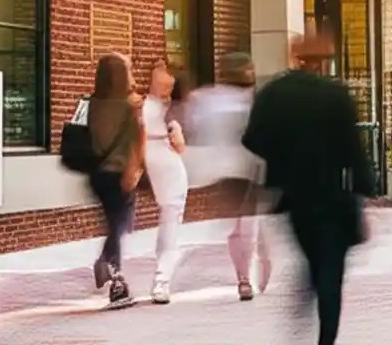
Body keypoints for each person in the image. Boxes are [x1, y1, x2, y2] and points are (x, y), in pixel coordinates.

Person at [243, 31, 374, 345]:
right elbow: (353, 149)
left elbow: (251, 138)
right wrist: (365, 188)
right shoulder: (336, 95)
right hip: (334, 196)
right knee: (330, 272)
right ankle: (326, 336)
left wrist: (280, 158)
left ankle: (307, 303)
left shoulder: (274, 93)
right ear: (324, 61)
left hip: (294, 197)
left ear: (295, 57)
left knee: (314, 260)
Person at [187, 51, 272, 301]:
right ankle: (245, 274)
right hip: (230, 170)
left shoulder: (252, 99)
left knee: (245, 224)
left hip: (249, 169)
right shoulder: (214, 99)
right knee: (239, 226)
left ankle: (248, 273)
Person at [87, 52, 145, 309]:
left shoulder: (92, 104)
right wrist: (134, 171)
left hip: (97, 175)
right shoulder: (130, 106)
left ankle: (110, 268)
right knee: (120, 226)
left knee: (115, 224)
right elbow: (138, 141)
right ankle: (115, 277)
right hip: (121, 174)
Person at [140, 60, 189, 305]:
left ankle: (161, 280)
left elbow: (180, 146)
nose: (166, 85)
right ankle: (160, 279)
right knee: (168, 222)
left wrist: (175, 131)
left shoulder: (169, 111)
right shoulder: (142, 105)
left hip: (166, 169)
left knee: (169, 222)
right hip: (150, 166)